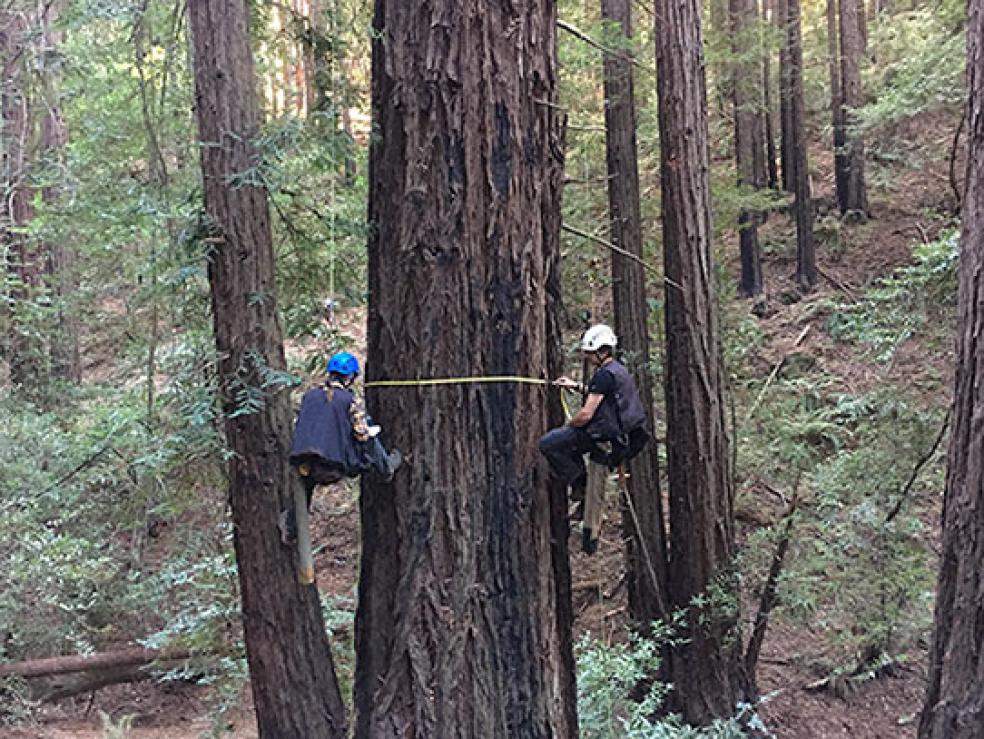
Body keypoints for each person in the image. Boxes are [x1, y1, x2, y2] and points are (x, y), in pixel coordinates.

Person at [539, 324, 650, 505]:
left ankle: (579, 484)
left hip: (606, 436)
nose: (587, 357)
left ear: (601, 352)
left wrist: (569, 425)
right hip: (621, 437)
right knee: (569, 445)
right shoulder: (618, 370)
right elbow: (606, 397)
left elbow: (585, 414)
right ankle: (580, 486)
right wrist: (576, 387)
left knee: (549, 444)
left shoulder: (604, 375)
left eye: (589, 353)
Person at [288, 351, 402, 512]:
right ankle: (386, 467)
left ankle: (291, 526)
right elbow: (361, 434)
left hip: (304, 462)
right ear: (350, 377)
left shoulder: (309, 396)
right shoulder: (350, 400)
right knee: (367, 433)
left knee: (305, 486)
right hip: (334, 465)